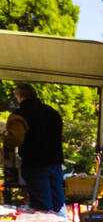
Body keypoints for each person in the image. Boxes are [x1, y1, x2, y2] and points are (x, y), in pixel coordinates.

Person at [8, 83, 64, 213]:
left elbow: (14, 140)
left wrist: (5, 135)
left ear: (20, 96)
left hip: (34, 163)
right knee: (58, 203)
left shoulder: (19, 115)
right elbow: (60, 136)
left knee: (42, 205)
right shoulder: (52, 112)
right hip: (55, 162)